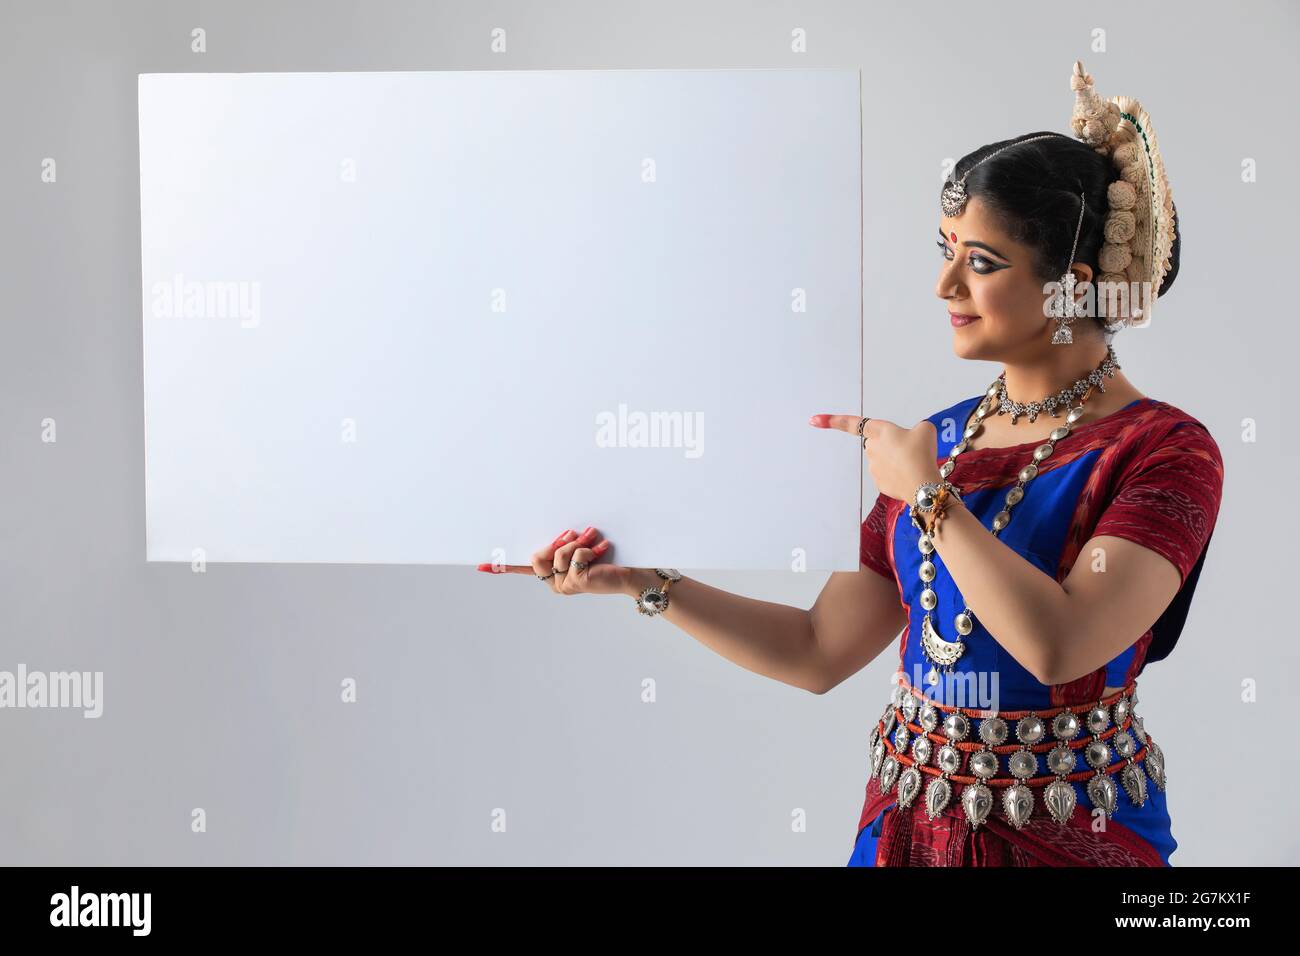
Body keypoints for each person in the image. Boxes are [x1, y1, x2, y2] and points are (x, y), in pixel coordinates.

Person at [479, 61, 1223, 867]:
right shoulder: (937, 441)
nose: (944, 285)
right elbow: (816, 650)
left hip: (1071, 840)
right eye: (944, 252)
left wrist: (931, 499)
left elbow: (1060, 645)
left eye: (981, 262)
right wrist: (647, 582)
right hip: (905, 830)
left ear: (1071, 288)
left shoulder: (1165, 450)